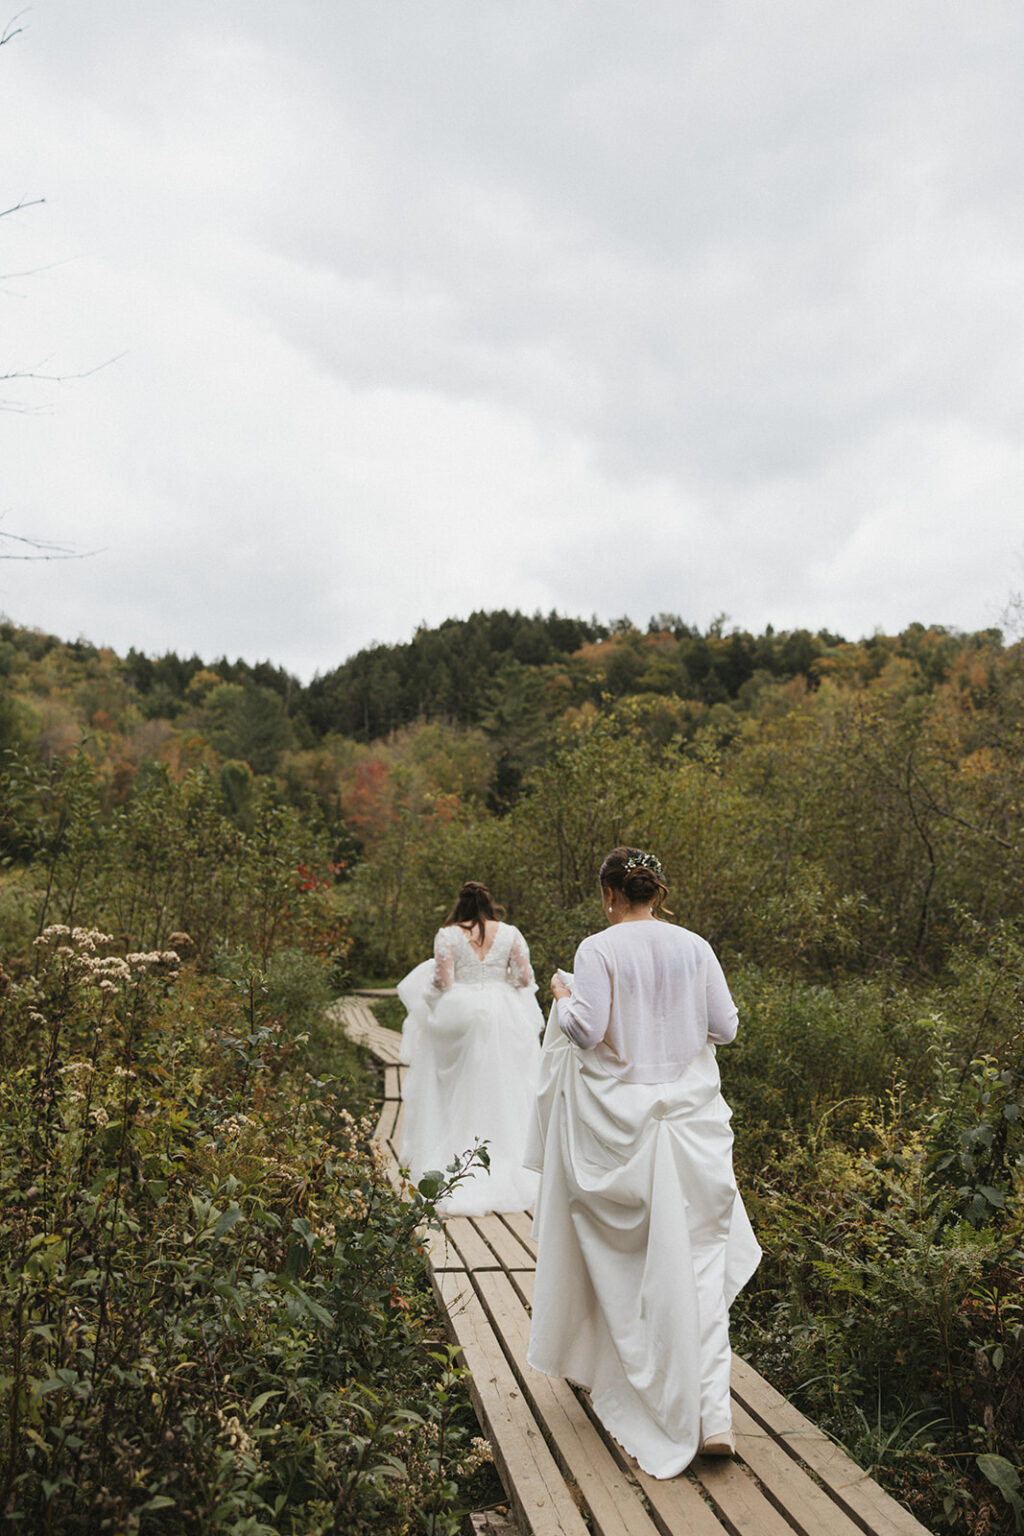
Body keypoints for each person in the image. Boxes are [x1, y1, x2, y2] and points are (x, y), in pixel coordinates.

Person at [525, 847, 760, 1478]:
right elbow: (726, 1028)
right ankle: (713, 1417)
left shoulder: (596, 950)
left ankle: (643, 1385)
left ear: (609, 895)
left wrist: (563, 993)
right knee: (701, 1265)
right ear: (655, 891)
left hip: (620, 1128)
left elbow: (586, 1029)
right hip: (691, 1127)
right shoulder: (695, 946)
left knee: (630, 1265)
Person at [398, 880, 543, 1216]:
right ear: (489, 903)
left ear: (459, 905)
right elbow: (523, 979)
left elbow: (443, 981)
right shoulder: (510, 933)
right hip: (504, 1017)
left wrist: (428, 1004)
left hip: (459, 1014)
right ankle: (509, 1161)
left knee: (456, 1089)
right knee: (506, 1088)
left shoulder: (447, 935)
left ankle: (452, 1162)